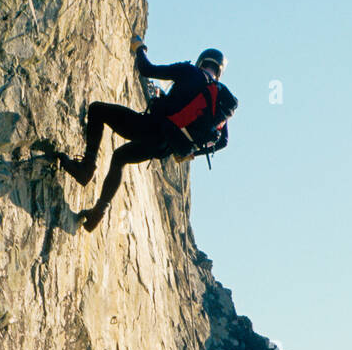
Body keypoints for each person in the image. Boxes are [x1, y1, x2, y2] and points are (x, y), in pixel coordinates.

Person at [57, 38, 237, 231]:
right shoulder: (218, 102)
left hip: (150, 126)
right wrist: (190, 154)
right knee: (120, 158)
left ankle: (86, 167)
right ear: (219, 72)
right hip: (164, 147)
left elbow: (147, 70)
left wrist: (139, 48)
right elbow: (223, 141)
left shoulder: (189, 71)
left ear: (201, 61)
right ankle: (97, 213)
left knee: (97, 111)